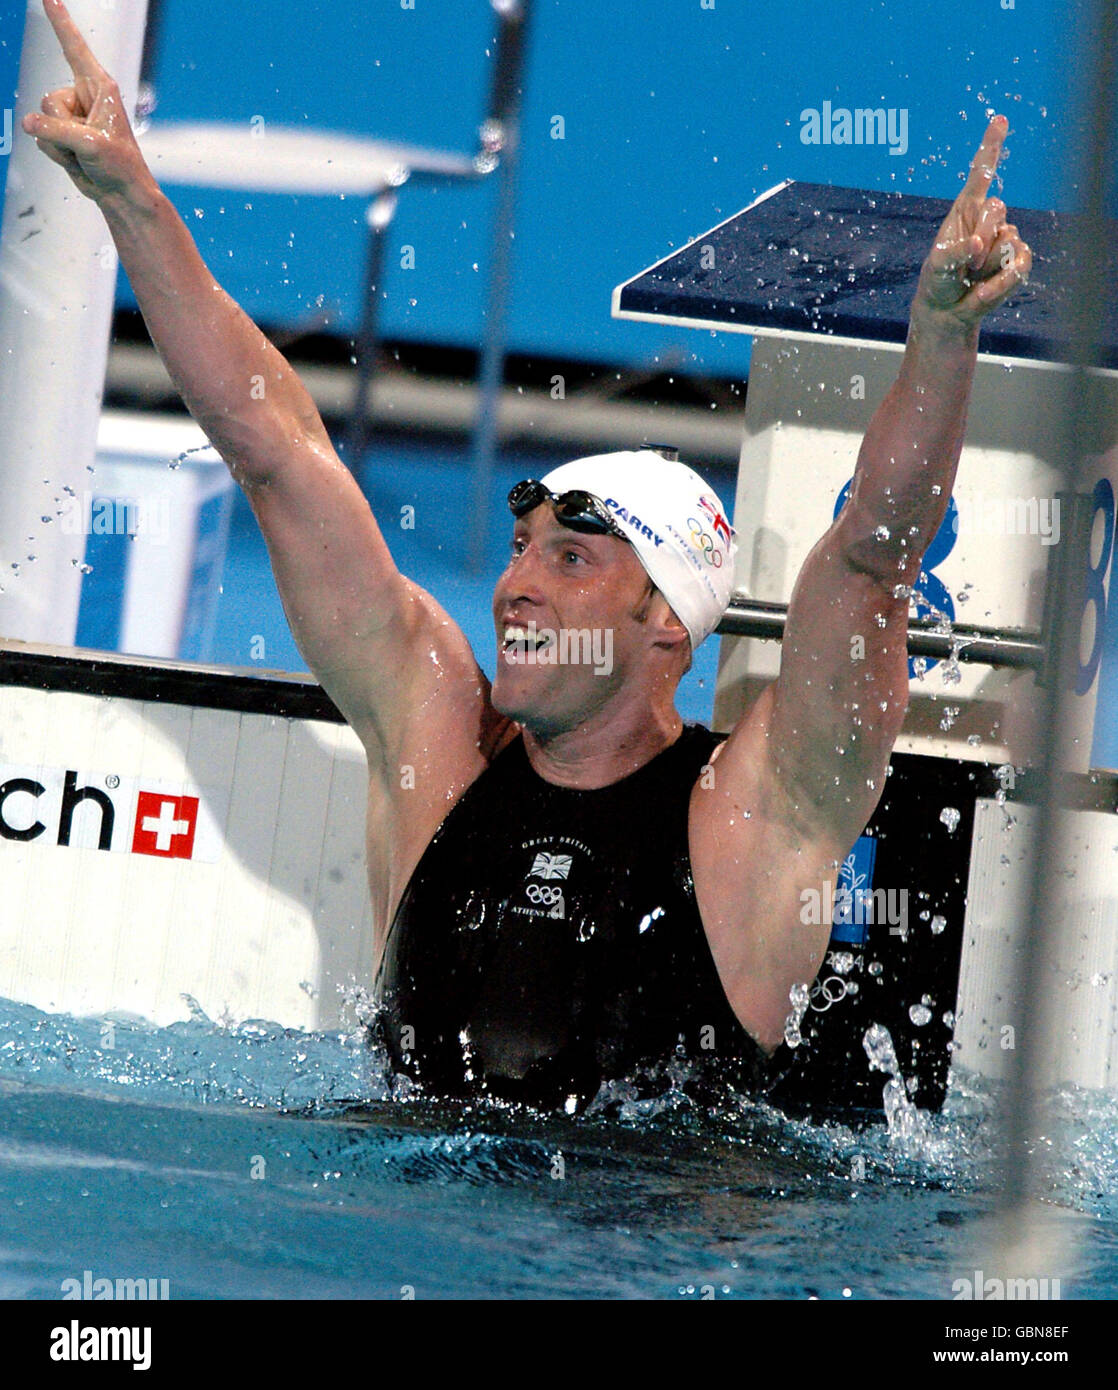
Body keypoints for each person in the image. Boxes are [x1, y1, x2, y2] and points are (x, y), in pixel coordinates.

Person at [23, 0, 1032, 1108]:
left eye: (572, 560)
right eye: (519, 550)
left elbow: (869, 562)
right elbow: (277, 453)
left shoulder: (752, 813)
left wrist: (941, 334)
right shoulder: (436, 745)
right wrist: (133, 200)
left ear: (667, 621)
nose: (515, 585)